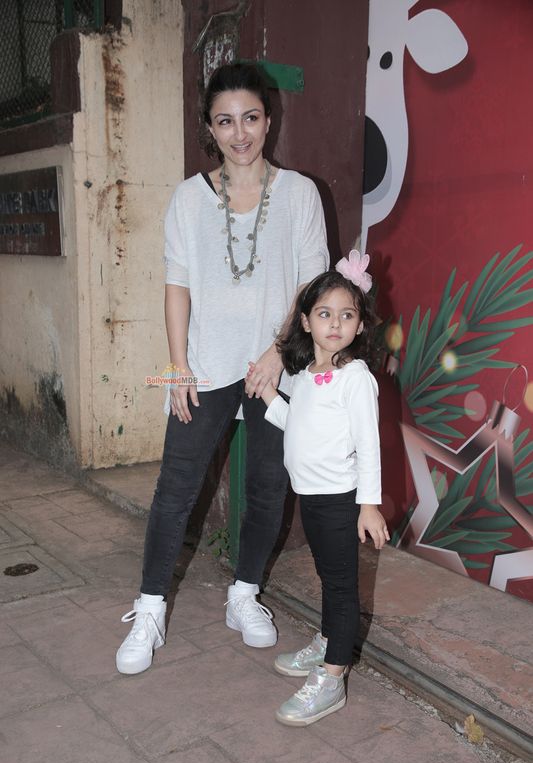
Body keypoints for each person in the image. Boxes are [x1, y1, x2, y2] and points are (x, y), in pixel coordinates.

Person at [116, 62, 329, 674]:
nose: (241, 134)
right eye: (226, 121)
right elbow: (176, 285)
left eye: (251, 118)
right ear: (210, 128)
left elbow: (312, 283)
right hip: (204, 365)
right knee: (175, 489)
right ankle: (150, 610)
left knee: (267, 487)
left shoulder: (300, 194)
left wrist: (278, 351)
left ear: (269, 119)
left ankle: (244, 594)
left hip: (275, 367)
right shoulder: (188, 199)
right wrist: (178, 366)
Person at [250, 252, 389, 725]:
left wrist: (368, 505)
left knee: (342, 586)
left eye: (346, 315)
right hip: (310, 498)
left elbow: (369, 445)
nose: (335, 324)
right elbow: (297, 424)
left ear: (360, 325)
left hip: (340, 500)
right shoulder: (306, 373)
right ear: (306, 321)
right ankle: (328, 642)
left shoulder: (356, 378)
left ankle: (332, 678)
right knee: (329, 578)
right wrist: (269, 394)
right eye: (325, 314)